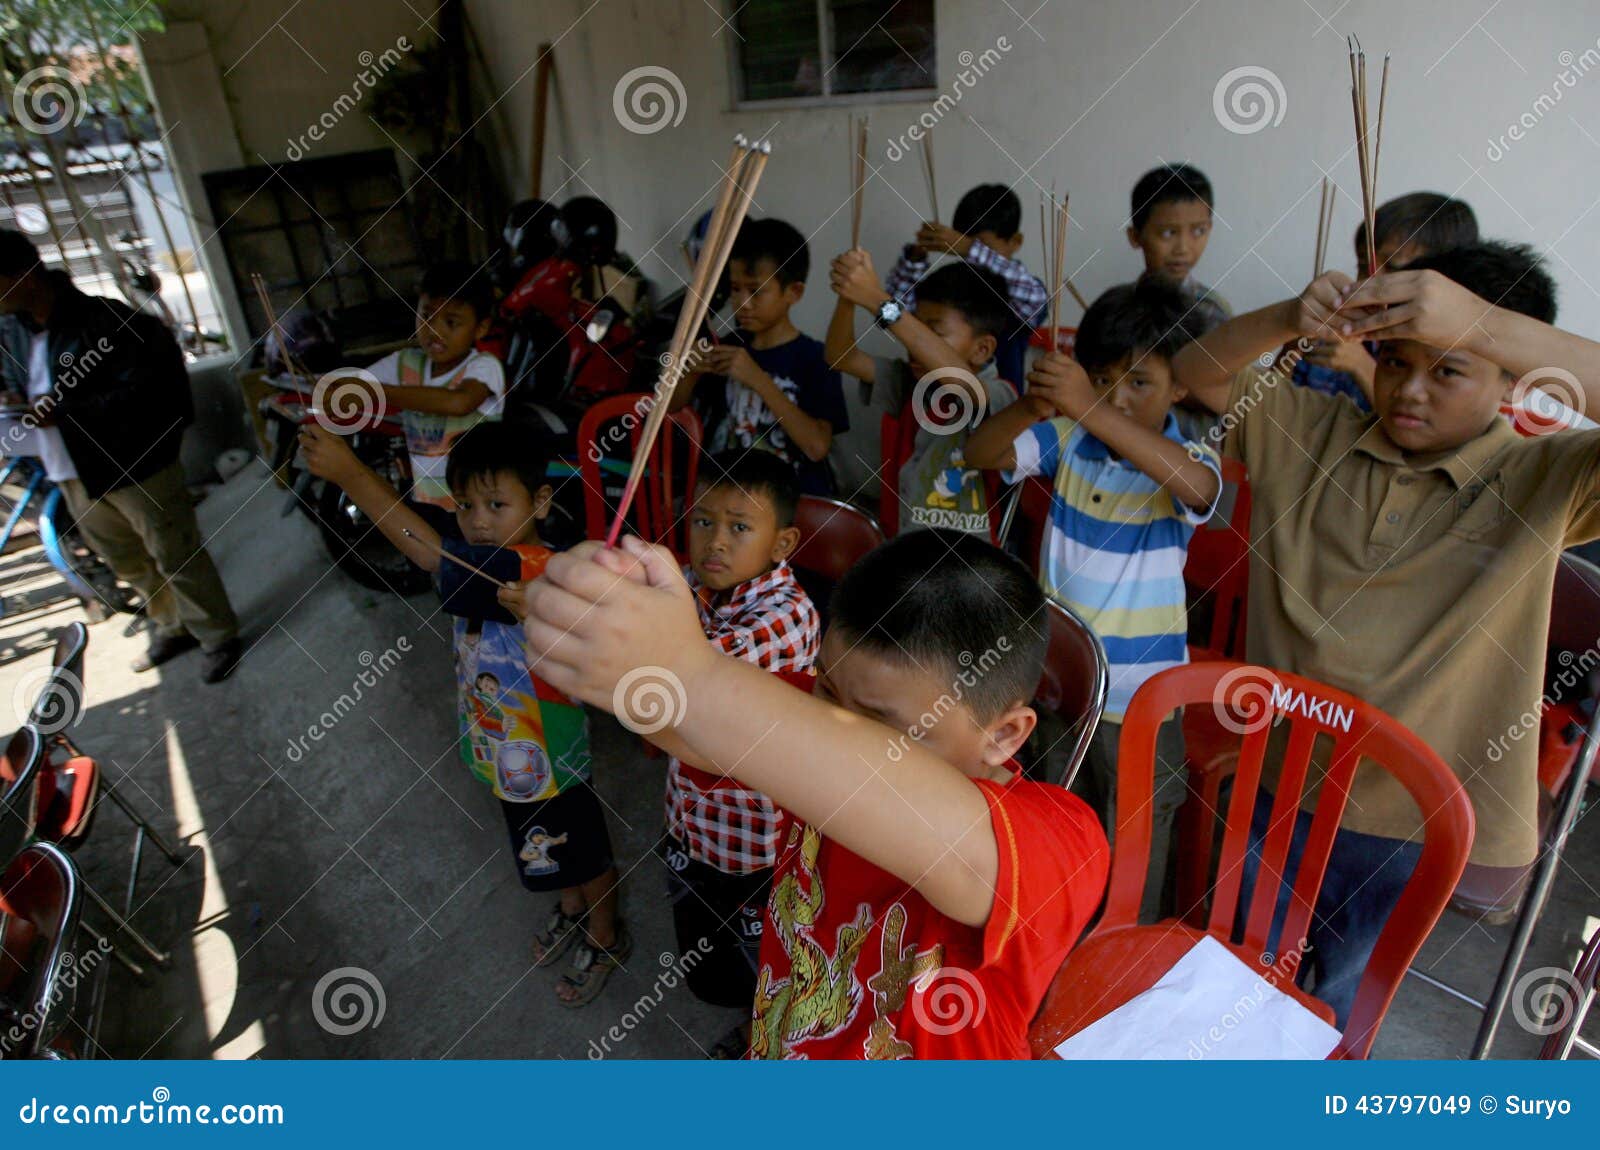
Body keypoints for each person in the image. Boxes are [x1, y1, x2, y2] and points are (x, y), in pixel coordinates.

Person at [1172, 240, 1600, 1027]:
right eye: (1395, 361)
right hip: (1279, 777)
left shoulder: (1544, 477)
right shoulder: (1310, 429)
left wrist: (1485, 325)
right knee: (1237, 970)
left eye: (1449, 371)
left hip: (1415, 816)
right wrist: (1284, 317)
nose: (1408, 390)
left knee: (1333, 997)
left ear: (1511, 381)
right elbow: (1192, 375)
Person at [521, 529, 1110, 1058]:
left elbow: (943, 837)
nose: (832, 721)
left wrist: (691, 674)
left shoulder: (1058, 839)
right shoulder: (813, 714)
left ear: (1003, 735)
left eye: (880, 724)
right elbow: (688, 727)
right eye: (826, 690)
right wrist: (614, 634)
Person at [299, 419, 626, 1007]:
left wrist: (352, 474)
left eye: (497, 503)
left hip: (547, 745)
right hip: (502, 743)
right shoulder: (489, 558)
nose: (477, 519)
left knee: (583, 845)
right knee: (541, 836)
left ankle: (606, 936)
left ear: (541, 502)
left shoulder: (526, 567)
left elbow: (425, 551)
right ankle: (572, 905)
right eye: (467, 504)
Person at [965, 278, 1218, 919]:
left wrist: (1087, 405)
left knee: (1134, 833)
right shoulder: (1067, 441)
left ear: (1180, 387)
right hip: (1058, 683)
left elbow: (1196, 488)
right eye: (1102, 380)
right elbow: (980, 452)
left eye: (1140, 383)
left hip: (1139, 700)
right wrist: (1037, 405)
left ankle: (1122, 956)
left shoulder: (1181, 455)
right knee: (1058, 812)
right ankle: (1061, 925)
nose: (1116, 398)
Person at [0, 228, 241, 681]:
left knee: (176, 554)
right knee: (127, 561)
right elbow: (19, 381)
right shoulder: (12, 329)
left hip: (135, 467)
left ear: (23, 276)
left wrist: (65, 413)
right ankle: (172, 626)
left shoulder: (107, 322)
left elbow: (152, 393)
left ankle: (217, 635)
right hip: (69, 470)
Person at [662, 451, 819, 1057]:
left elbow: (680, 676)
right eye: (702, 522)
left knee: (768, 960)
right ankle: (748, 1019)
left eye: (738, 526)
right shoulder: (699, 587)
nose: (714, 542)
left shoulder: (782, 617)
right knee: (708, 954)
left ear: (782, 543)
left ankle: (768, 1037)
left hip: (757, 842)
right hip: (694, 821)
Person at [826, 255, 1017, 532]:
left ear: (982, 349)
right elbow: (839, 356)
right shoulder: (910, 382)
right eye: (917, 328)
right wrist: (849, 297)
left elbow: (962, 382)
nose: (915, 344)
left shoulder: (1001, 395)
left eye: (934, 334)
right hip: (903, 546)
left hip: (966, 559)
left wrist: (880, 301)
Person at [669, 218, 847, 495]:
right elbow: (672, 408)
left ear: (794, 292)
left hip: (790, 502)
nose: (742, 303)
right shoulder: (727, 346)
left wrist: (758, 379)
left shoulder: (815, 359)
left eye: (756, 291)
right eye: (735, 288)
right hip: (726, 496)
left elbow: (816, 447)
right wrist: (688, 373)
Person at [1292, 192, 1479, 410]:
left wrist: (1362, 366)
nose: (1371, 281)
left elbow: (1419, 434)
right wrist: (1290, 345)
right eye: (1363, 266)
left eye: (1393, 268)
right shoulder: (1341, 335)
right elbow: (1274, 412)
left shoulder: (1457, 356)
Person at [359, 262, 505, 535]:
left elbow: (458, 403)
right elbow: (356, 386)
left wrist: (382, 393)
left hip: (477, 509)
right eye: (426, 317)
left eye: (451, 322)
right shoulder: (405, 362)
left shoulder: (484, 367)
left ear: (481, 328)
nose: (435, 331)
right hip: (427, 501)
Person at [884, 183, 1048, 385]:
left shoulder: (1019, 295)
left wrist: (969, 247)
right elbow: (893, 314)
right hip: (935, 399)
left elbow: (1036, 300)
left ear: (1015, 241)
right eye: (960, 243)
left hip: (1000, 409)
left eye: (984, 246)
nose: (970, 255)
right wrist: (916, 257)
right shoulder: (953, 288)